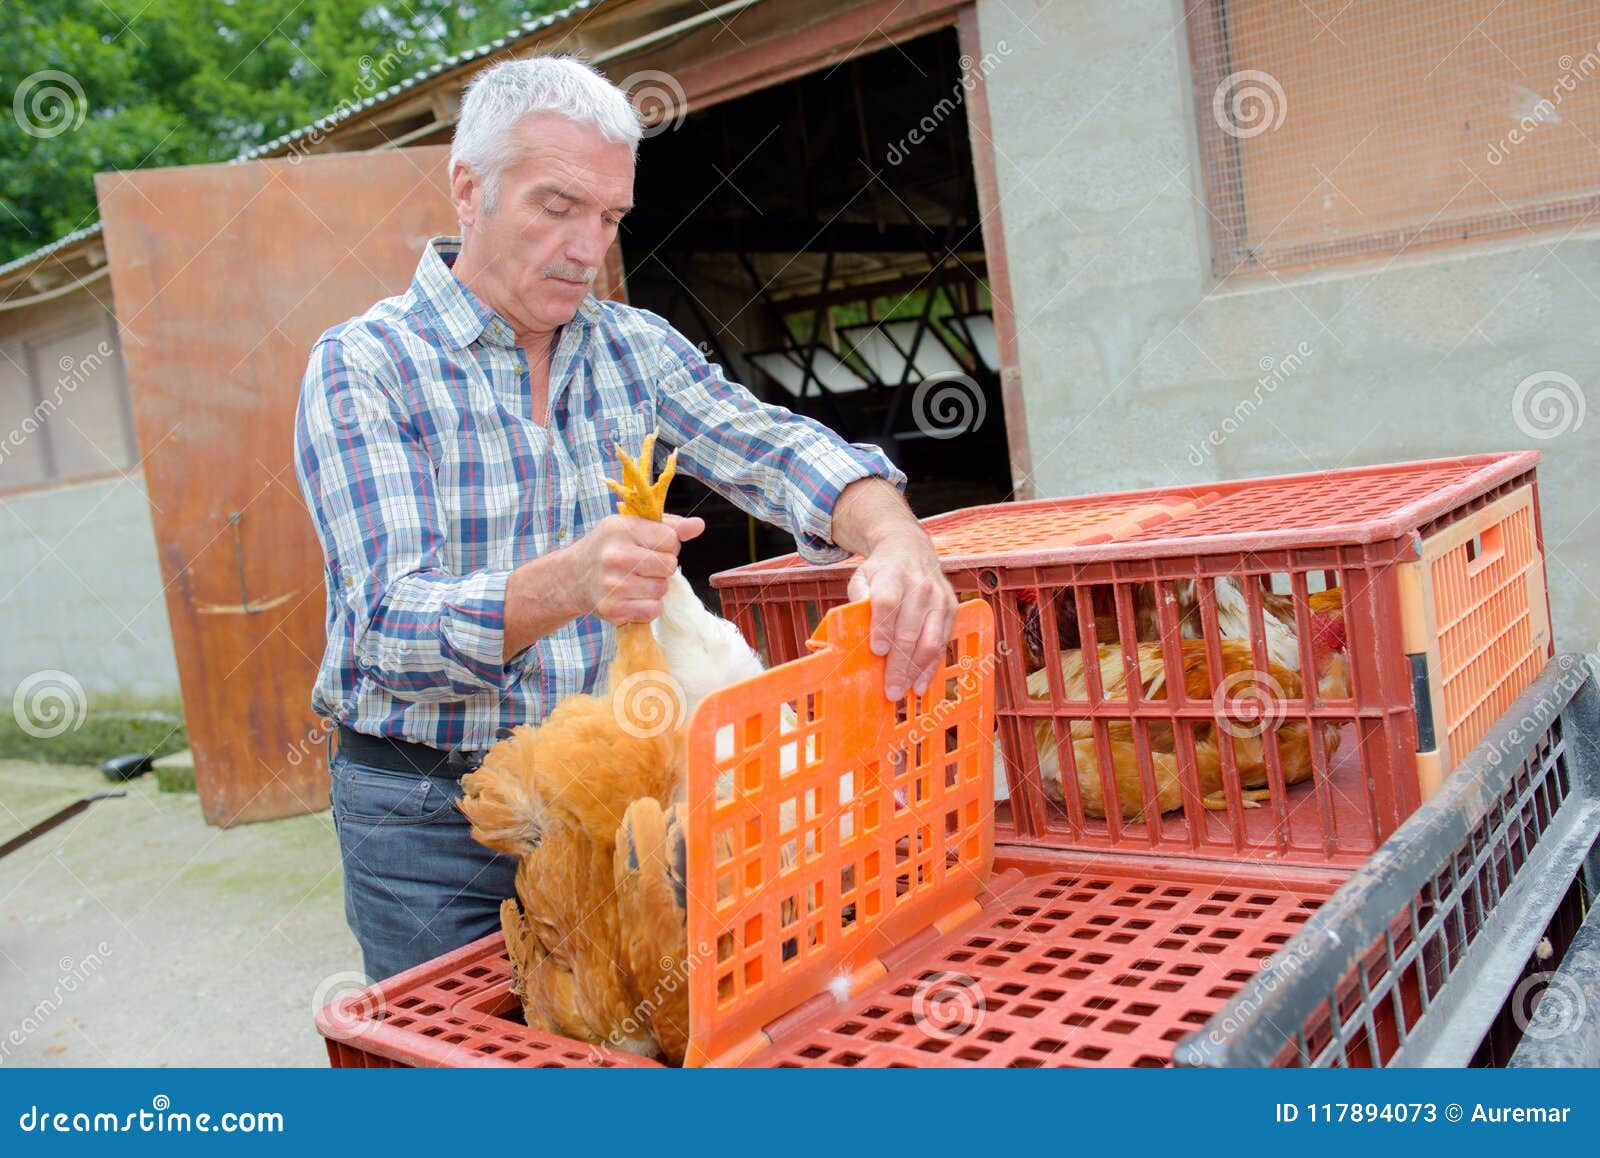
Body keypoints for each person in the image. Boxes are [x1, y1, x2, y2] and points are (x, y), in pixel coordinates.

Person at [293, 55, 957, 982]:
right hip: (426, 814)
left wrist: (895, 537)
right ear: (468, 189)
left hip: (612, 788)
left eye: (608, 218)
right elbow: (382, 632)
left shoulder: (629, 344)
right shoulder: (365, 366)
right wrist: (570, 581)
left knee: (631, 1043)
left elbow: (772, 447)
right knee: (463, 1087)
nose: (585, 247)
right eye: (556, 206)